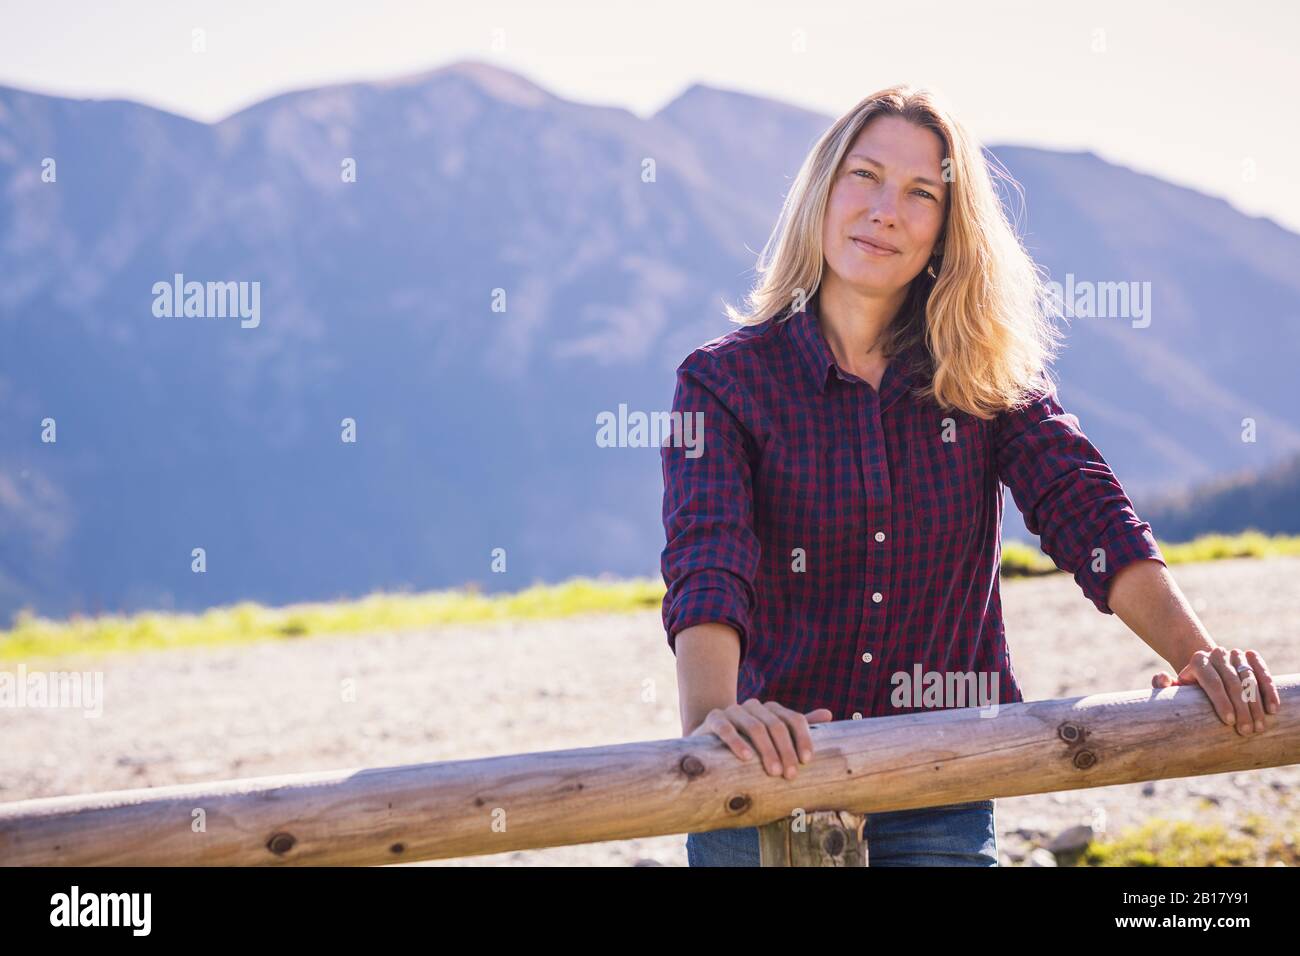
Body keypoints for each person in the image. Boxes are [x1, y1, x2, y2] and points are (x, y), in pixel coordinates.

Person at [658, 84, 1282, 867]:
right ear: (822, 193)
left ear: (947, 231)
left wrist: (1196, 654)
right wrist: (716, 721)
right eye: (865, 176)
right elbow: (707, 558)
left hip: (941, 784)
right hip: (765, 776)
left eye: (921, 192)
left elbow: (1082, 507)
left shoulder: (986, 376)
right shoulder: (723, 382)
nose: (887, 209)